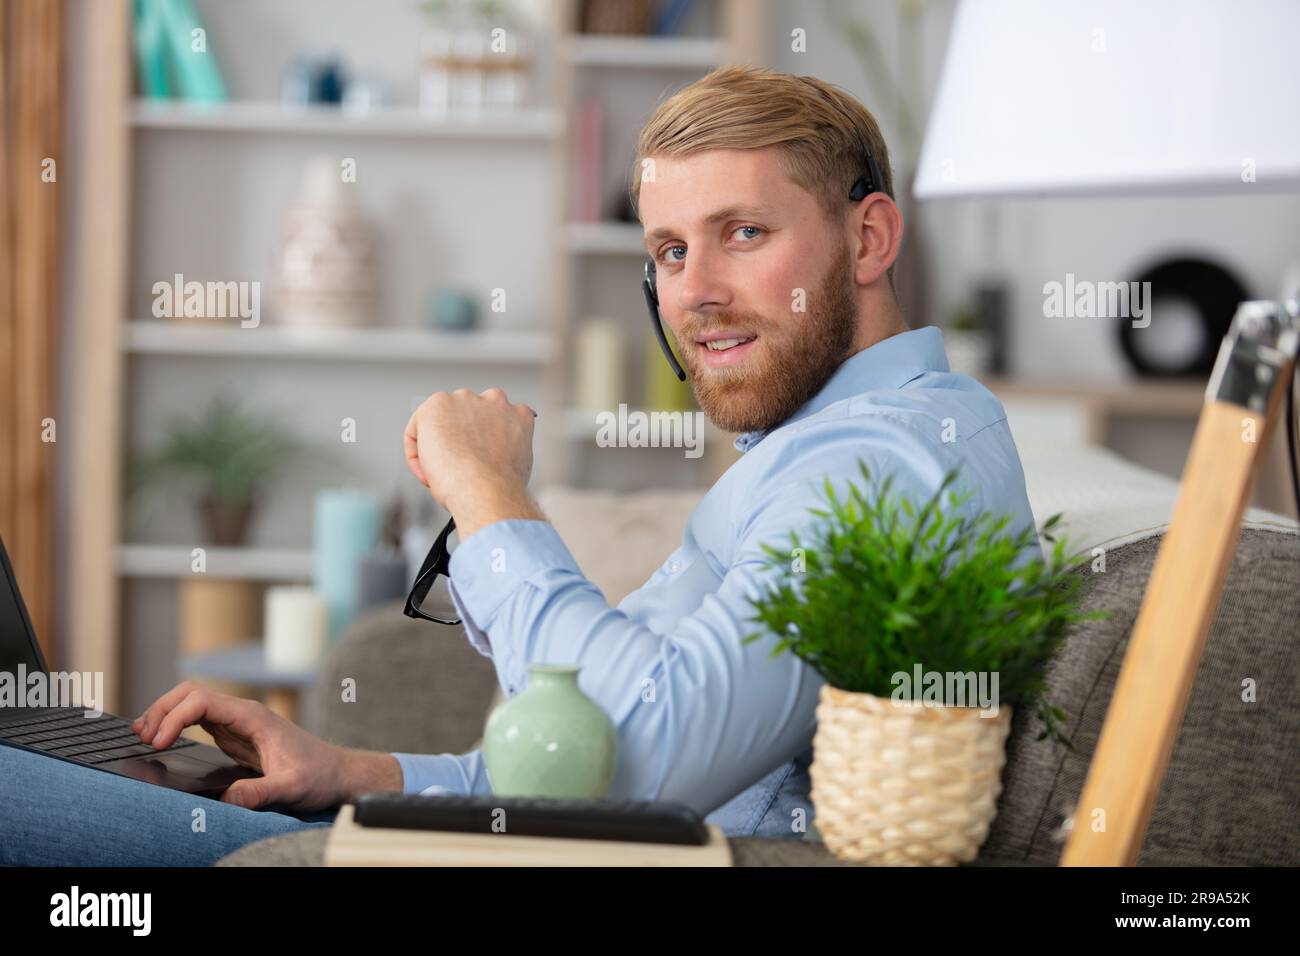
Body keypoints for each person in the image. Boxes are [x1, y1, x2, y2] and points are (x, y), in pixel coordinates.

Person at [0, 66, 1037, 865]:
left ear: (868, 238)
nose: (697, 291)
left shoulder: (886, 460)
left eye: (745, 232)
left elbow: (641, 754)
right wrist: (356, 773)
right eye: (671, 250)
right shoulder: (837, 446)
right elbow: (592, 759)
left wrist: (490, 493)